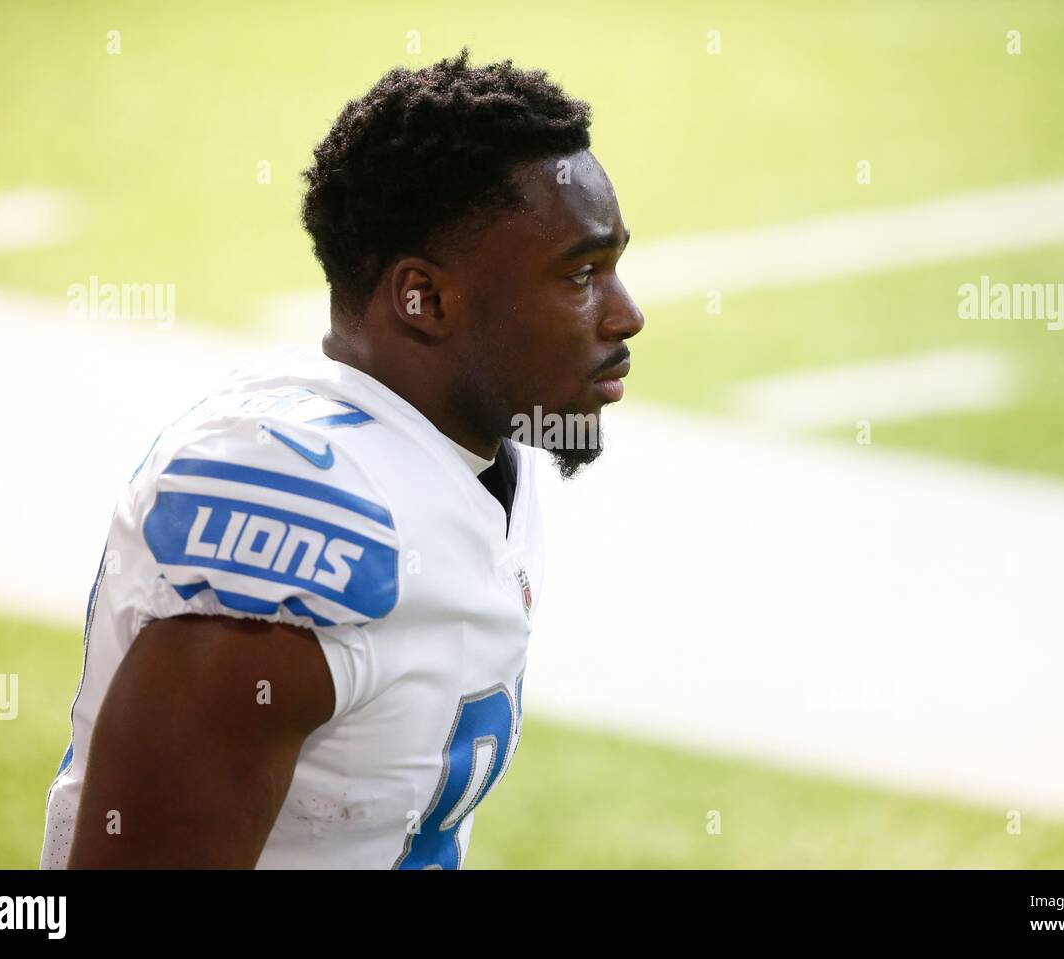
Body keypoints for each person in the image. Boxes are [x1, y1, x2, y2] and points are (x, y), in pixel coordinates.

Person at [40, 47, 644, 869]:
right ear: (423, 298)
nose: (627, 314)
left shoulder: (470, 438)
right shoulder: (302, 509)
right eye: (580, 274)